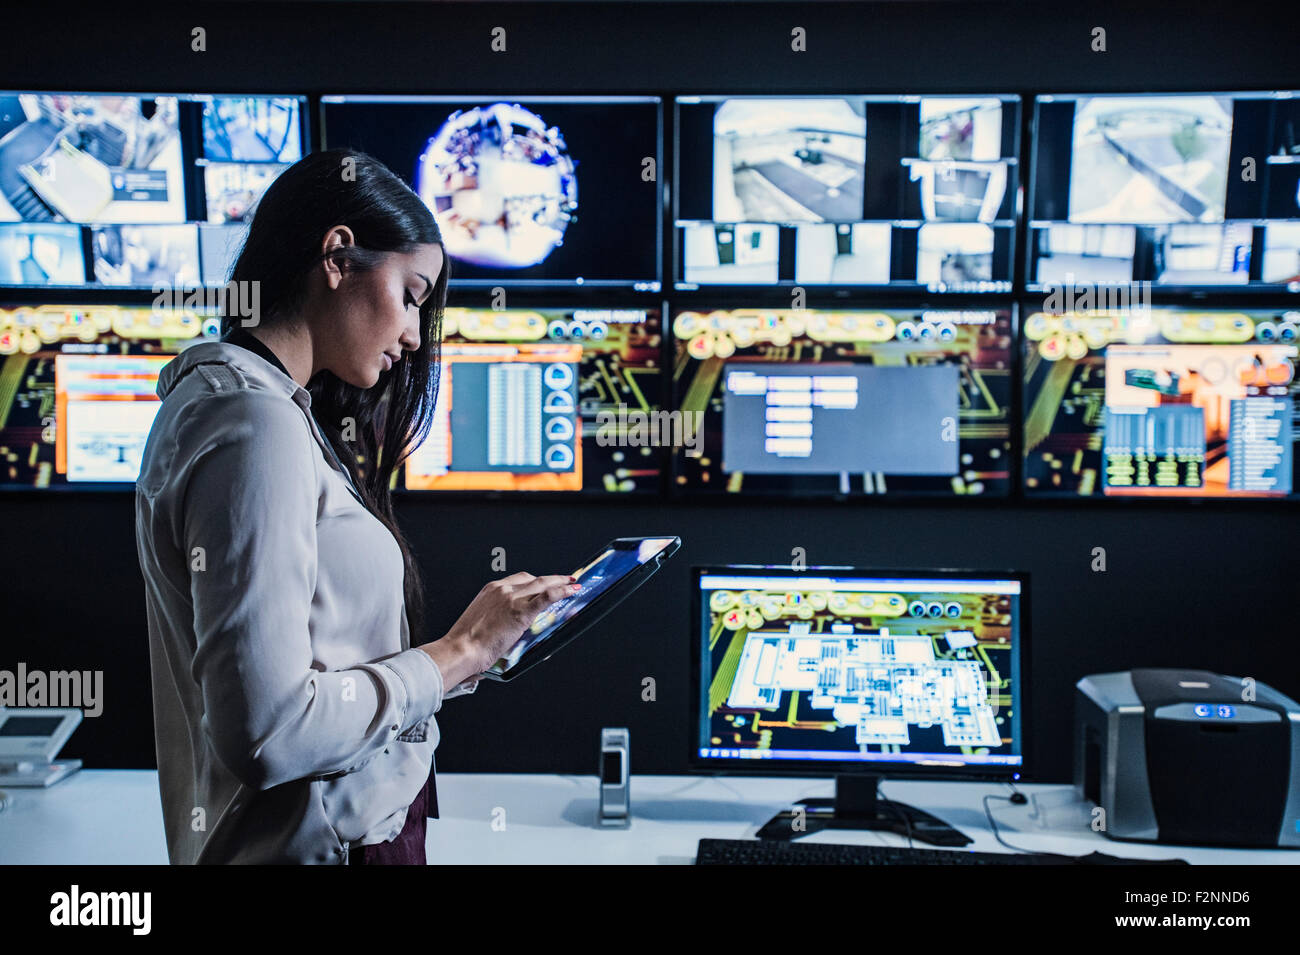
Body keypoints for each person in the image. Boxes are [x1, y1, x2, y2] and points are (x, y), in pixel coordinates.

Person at [134, 148, 577, 864]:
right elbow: (270, 733)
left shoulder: (249, 408)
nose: (413, 332)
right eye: (412, 293)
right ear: (337, 256)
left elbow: (321, 665)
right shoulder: (253, 422)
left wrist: (478, 650)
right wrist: (456, 653)